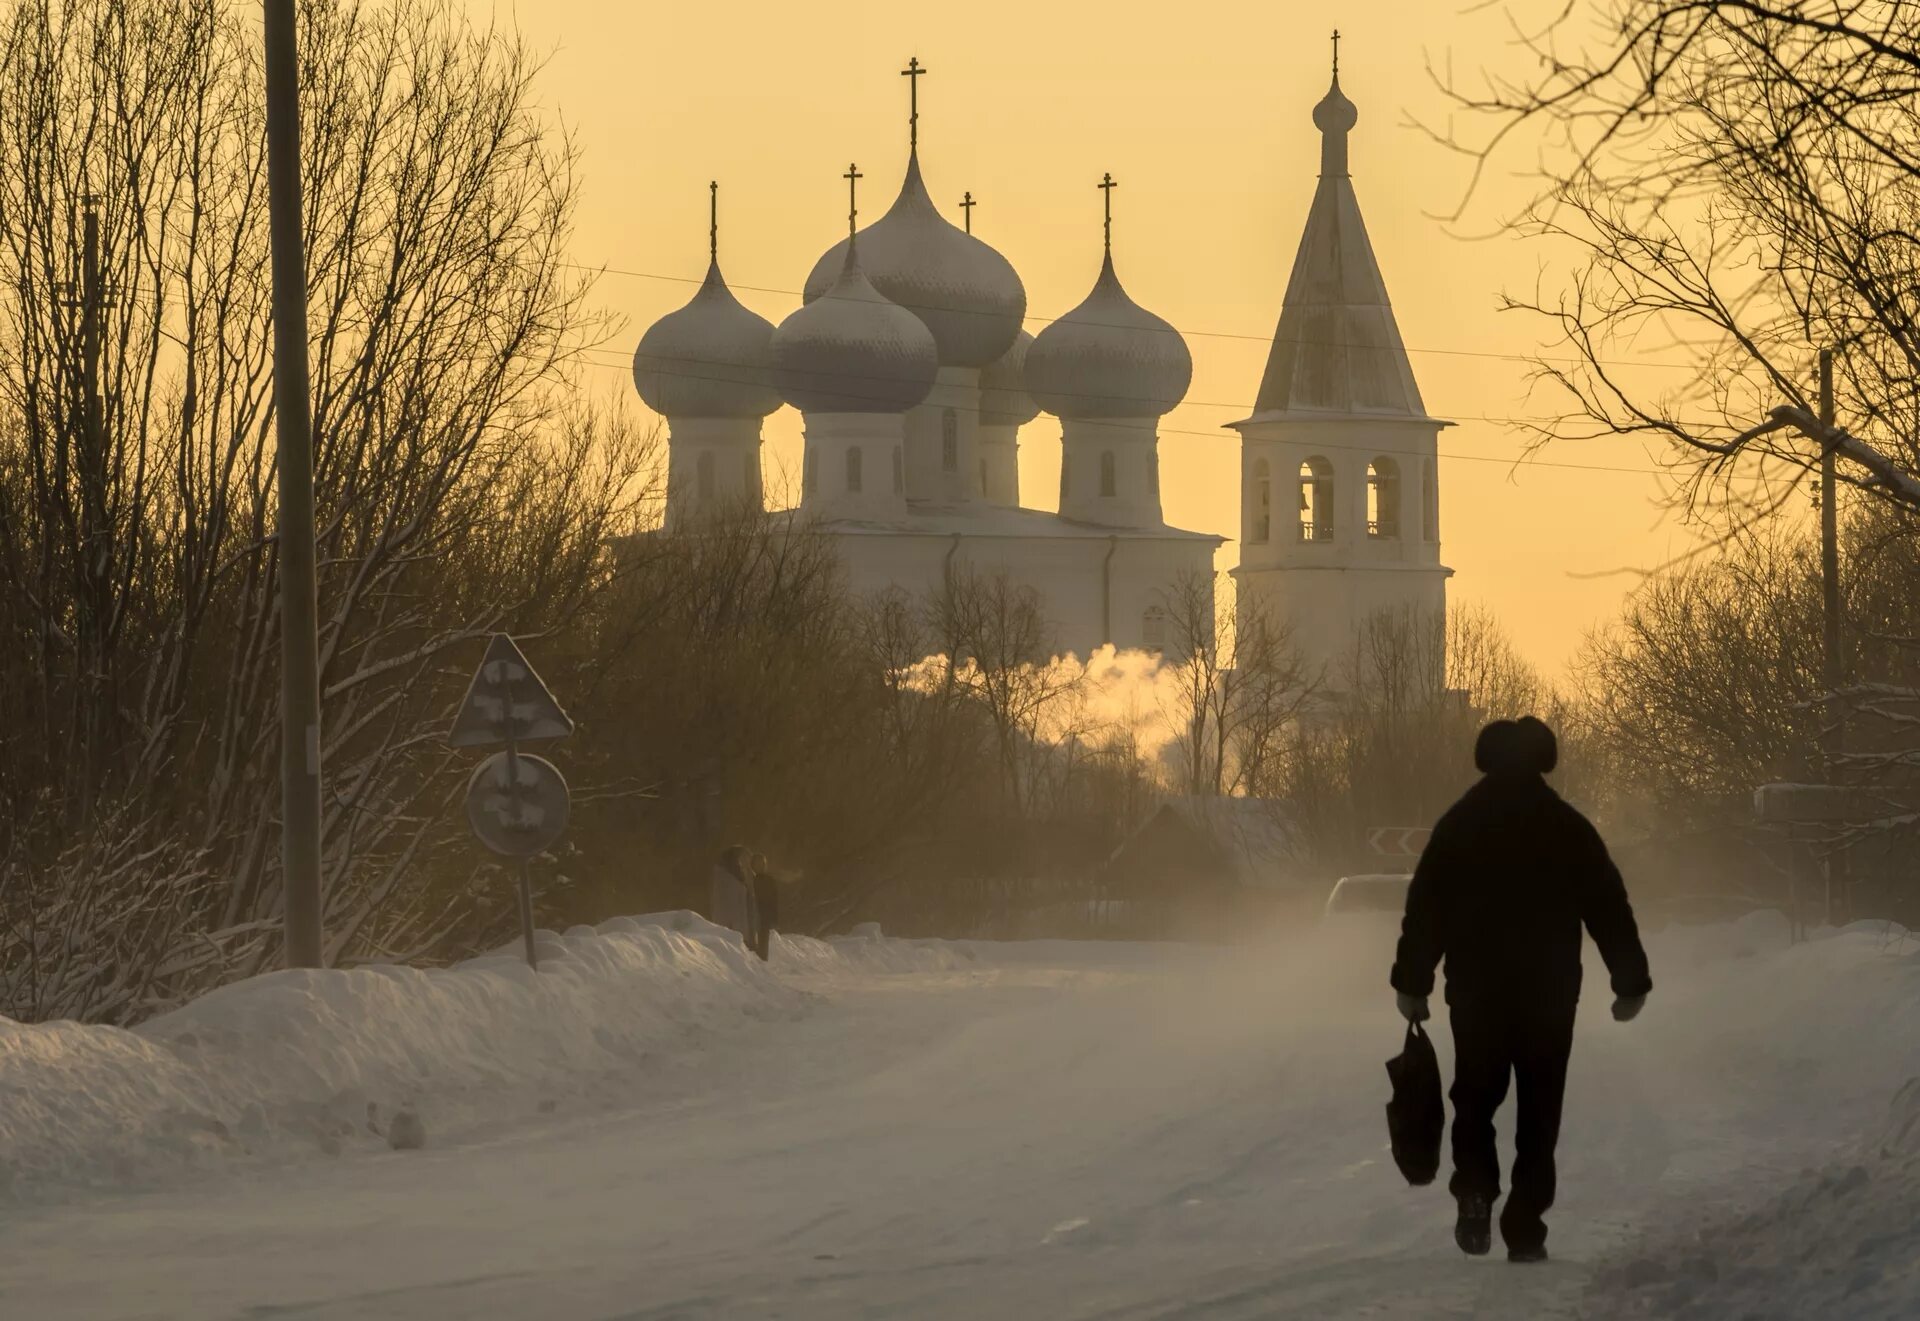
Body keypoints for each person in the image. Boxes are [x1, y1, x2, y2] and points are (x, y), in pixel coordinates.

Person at [1389, 716, 1652, 1264]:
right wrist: (1628, 981)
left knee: (1474, 1097)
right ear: (1542, 761)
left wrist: (1414, 983)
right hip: (1550, 994)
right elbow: (1608, 905)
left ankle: (1476, 1188)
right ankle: (1526, 1225)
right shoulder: (1567, 827)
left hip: (1477, 991)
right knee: (1539, 1108)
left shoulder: (1459, 825)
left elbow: (1426, 909)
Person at [708, 845, 757, 950]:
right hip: (734, 924)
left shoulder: (730, 875)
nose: (747, 862)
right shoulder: (730, 877)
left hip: (734, 922)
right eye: (744, 858)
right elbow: (736, 905)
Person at [749, 852, 778, 961]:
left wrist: (774, 918)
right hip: (751, 913)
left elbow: (774, 900)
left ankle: (762, 961)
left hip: (765, 914)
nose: (760, 866)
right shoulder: (749, 879)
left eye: (762, 864)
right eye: (758, 864)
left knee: (763, 939)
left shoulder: (770, 880)